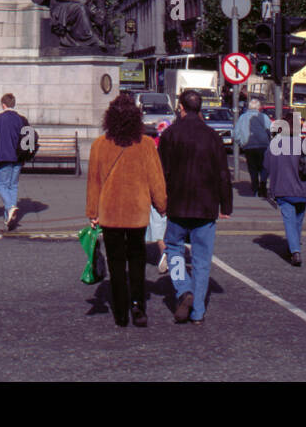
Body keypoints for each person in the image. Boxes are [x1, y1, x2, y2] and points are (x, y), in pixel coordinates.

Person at [87, 93, 167, 328]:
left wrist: (93, 212)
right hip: (137, 213)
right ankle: (137, 306)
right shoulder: (146, 145)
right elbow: (156, 180)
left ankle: (120, 312)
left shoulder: (99, 145)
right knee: (137, 261)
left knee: (116, 263)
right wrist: (161, 205)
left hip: (110, 213)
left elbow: (93, 182)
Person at [159, 89, 232, 324]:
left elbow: (162, 172)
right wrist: (226, 205)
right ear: (199, 108)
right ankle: (198, 310)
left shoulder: (170, 135)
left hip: (177, 204)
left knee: (174, 250)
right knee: (201, 259)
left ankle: (183, 289)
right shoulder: (212, 137)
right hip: (206, 206)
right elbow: (223, 173)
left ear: (180, 108)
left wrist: (160, 201)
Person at [264, 113, 306, 266]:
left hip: (282, 188)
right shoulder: (304, 144)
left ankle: (295, 251)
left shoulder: (275, 145)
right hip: (303, 189)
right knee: (297, 221)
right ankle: (294, 246)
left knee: (289, 220)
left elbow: (266, 166)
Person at [0, 93, 28, 230]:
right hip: (18, 158)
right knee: (13, 186)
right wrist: (25, 157)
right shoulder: (21, 119)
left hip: (3, 157)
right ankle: (9, 218)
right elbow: (28, 139)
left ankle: (10, 208)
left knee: (1, 185)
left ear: (3, 104)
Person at [233, 97, 271, 197]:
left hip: (249, 146)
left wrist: (242, 143)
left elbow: (236, 134)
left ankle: (255, 188)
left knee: (252, 168)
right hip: (263, 145)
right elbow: (270, 131)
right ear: (259, 107)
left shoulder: (242, 118)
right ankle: (263, 185)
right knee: (264, 167)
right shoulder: (264, 117)